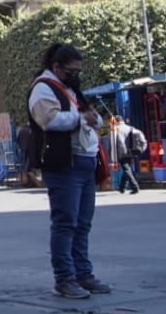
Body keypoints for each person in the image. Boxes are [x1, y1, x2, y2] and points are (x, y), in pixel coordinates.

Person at [29, 43, 110, 298]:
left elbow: (94, 119)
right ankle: (65, 278)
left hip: (84, 161)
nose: (76, 75)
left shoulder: (69, 88)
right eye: (72, 70)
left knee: (82, 224)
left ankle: (83, 273)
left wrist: (89, 118)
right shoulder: (43, 88)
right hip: (65, 164)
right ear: (56, 67)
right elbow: (50, 120)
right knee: (66, 222)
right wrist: (81, 118)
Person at [108, 114, 147, 195]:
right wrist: (141, 149)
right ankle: (122, 187)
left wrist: (110, 153)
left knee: (126, 169)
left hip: (121, 153)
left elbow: (111, 143)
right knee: (127, 168)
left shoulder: (114, 130)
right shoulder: (130, 128)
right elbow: (142, 139)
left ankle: (135, 186)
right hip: (131, 152)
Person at [15, 121, 41, 188]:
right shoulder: (31, 131)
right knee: (30, 168)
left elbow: (17, 141)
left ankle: (25, 182)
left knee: (23, 167)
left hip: (22, 151)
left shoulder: (22, 130)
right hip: (30, 152)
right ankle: (32, 183)